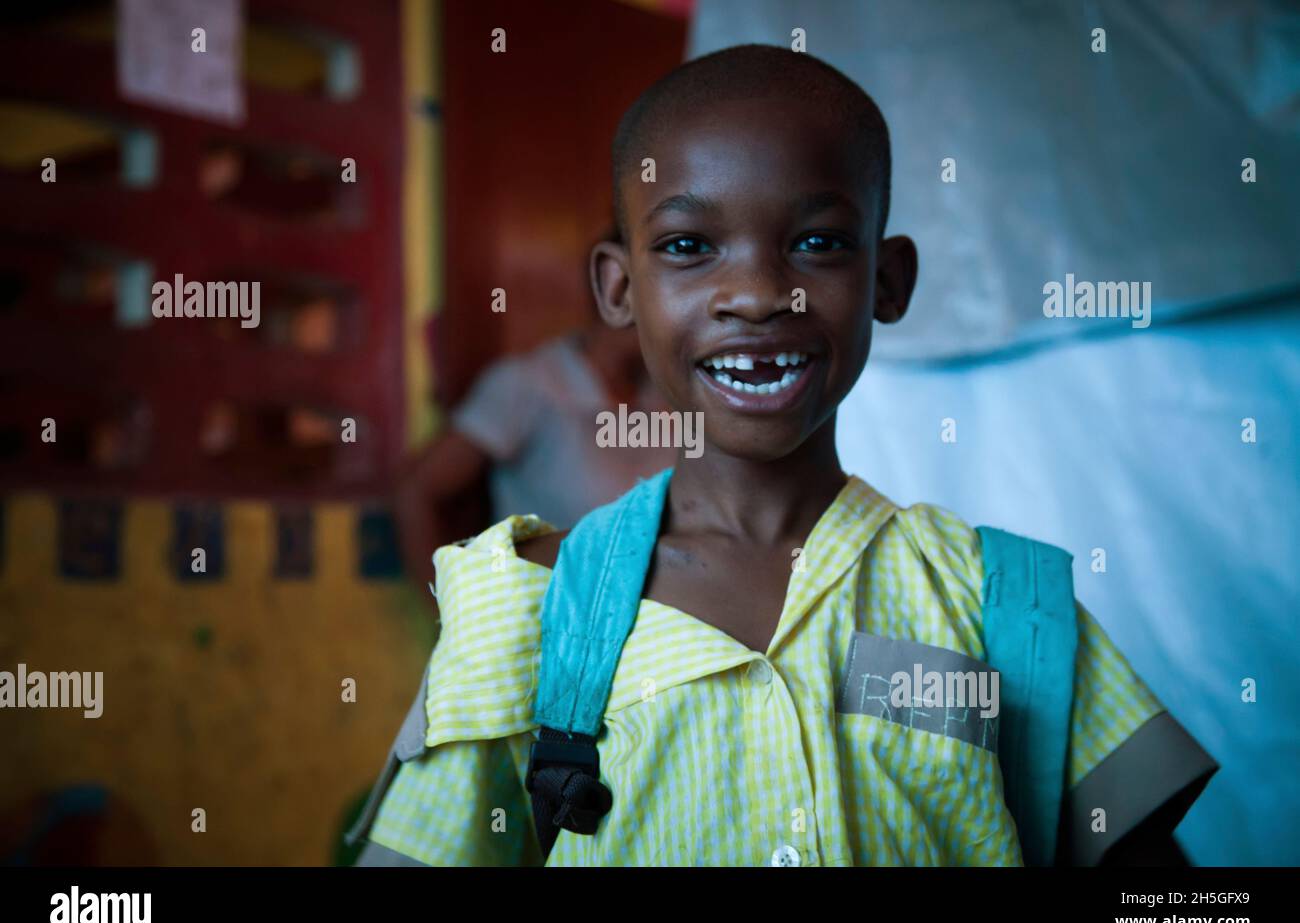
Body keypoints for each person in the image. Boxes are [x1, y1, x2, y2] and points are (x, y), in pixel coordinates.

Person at [350, 45, 1216, 866]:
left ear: (889, 280)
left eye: (818, 242)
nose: (760, 294)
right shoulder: (530, 614)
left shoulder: (998, 603)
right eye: (689, 247)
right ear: (620, 289)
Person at [395, 313, 675, 586]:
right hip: (546, 621)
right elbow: (416, 489)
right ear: (617, 293)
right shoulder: (531, 385)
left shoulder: (665, 394)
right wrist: (448, 614)